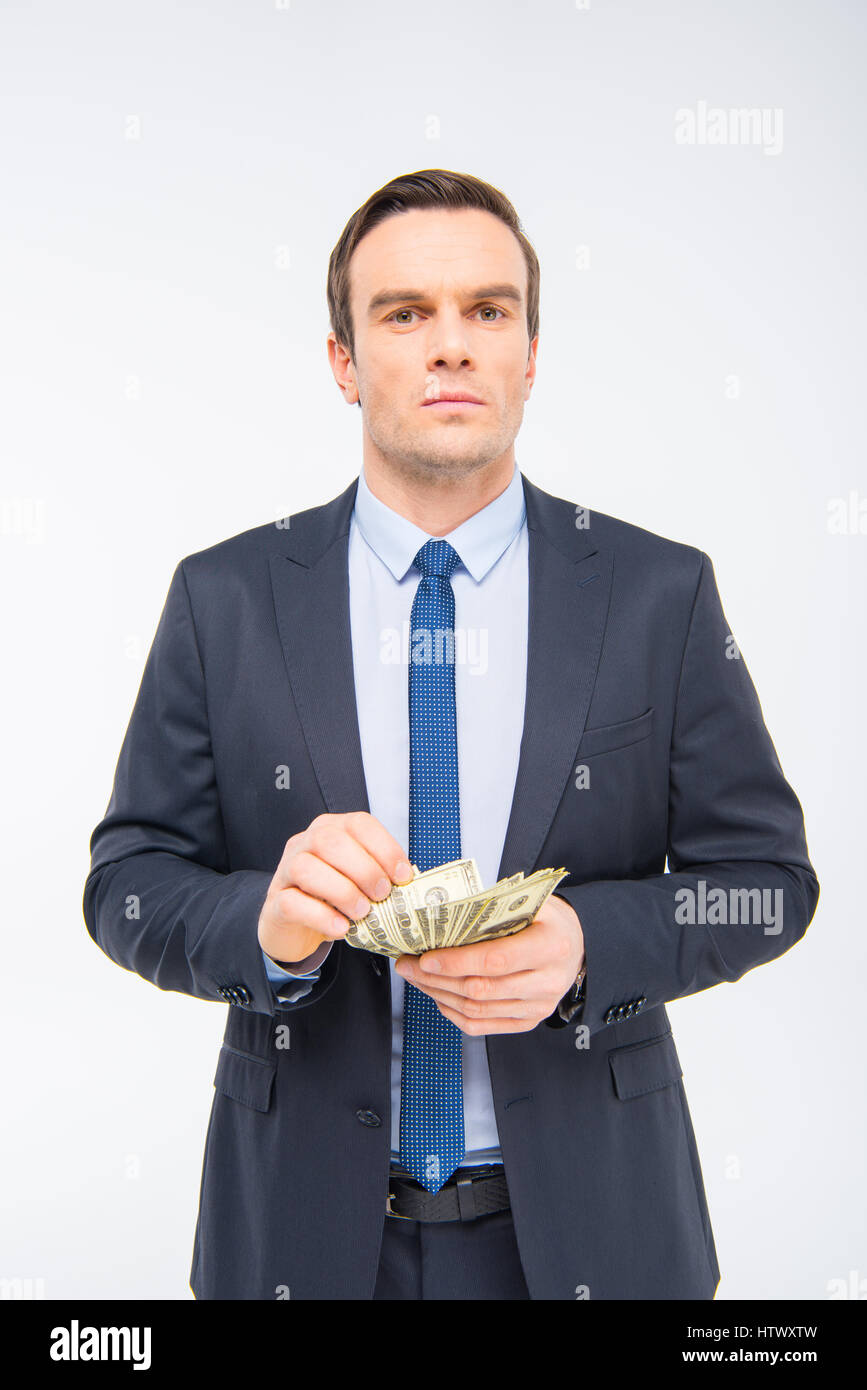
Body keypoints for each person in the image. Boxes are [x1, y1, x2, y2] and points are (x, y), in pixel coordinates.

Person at [83, 168, 819, 1301]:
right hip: (302, 1237)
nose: (452, 345)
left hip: (594, 1236)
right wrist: (268, 931)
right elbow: (127, 882)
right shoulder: (223, 598)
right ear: (343, 361)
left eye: (488, 310)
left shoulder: (658, 592)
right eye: (403, 313)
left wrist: (587, 946)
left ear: (531, 353)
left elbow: (769, 881)